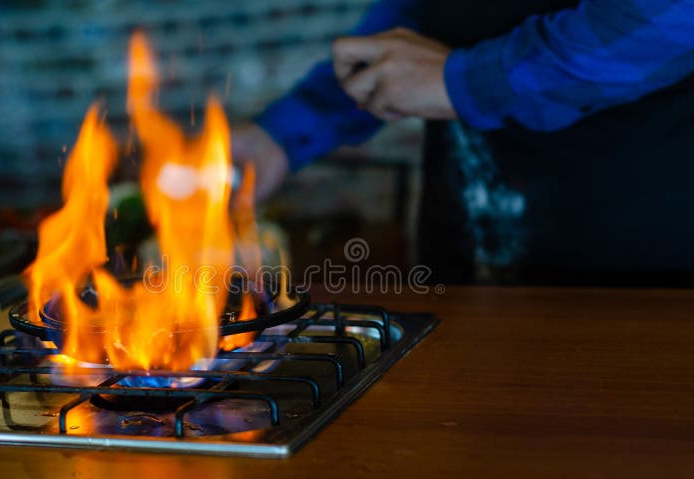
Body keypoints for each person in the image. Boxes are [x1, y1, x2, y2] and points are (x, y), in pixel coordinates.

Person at [232, 0, 694, 286]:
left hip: (643, 285)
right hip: (467, 271)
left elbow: (670, 17)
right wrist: (286, 133)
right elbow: (433, 14)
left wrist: (466, 81)